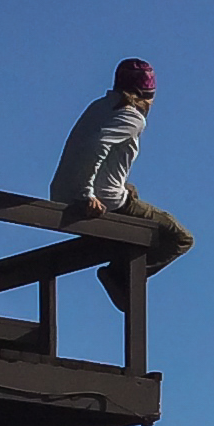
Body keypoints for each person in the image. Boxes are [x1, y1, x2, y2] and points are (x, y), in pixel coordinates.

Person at [51, 57, 191, 311]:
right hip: (94, 201)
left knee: (131, 190)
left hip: (63, 191)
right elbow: (95, 147)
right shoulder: (131, 117)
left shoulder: (100, 106)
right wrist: (86, 195)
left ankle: (120, 261)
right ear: (148, 94)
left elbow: (89, 148)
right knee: (178, 237)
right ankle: (119, 274)